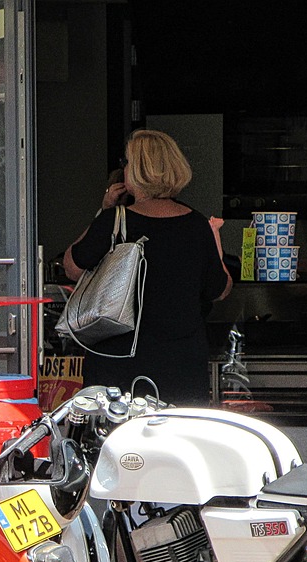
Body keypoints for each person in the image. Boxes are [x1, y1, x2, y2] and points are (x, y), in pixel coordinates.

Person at [63, 128, 231, 405]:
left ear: (139, 171)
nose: (124, 169)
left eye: (127, 163)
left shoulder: (115, 220)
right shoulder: (197, 225)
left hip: (117, 361)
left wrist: (104, 212)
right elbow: (219, 289)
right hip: (180, 364)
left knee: (119, 442)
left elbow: (72, 267)